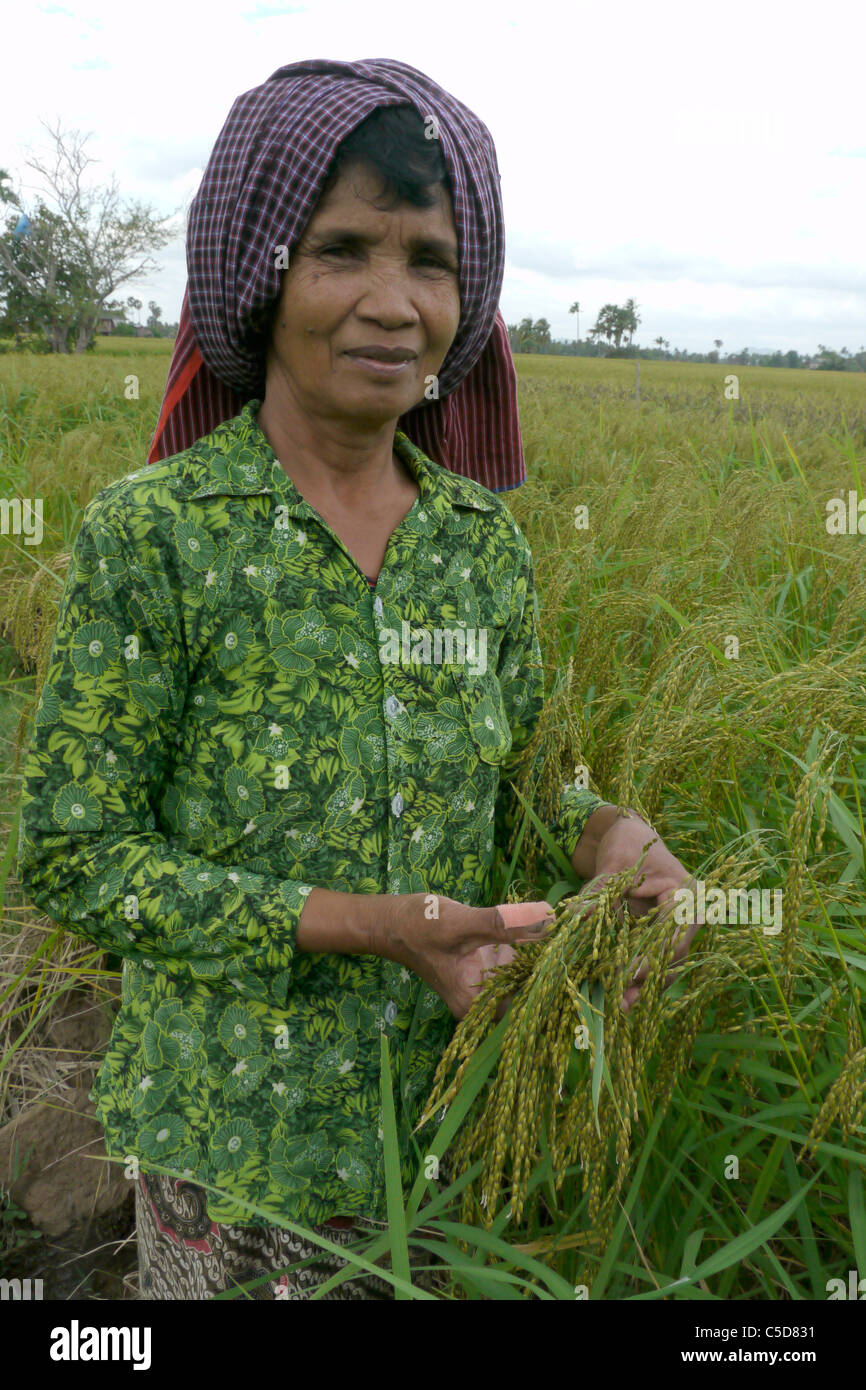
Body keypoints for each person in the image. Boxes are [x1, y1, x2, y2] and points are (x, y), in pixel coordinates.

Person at [17, 59, 696, 1301]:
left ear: (468, 292)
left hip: (440, 1134)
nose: (392, 304)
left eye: (428, 259)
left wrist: (606, 833)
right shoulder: (157, 534)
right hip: (232, 1149)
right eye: (341, 250)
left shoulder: (480, 544)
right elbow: (74, 855)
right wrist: (367, 924)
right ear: (260, 275)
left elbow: (517, 792)